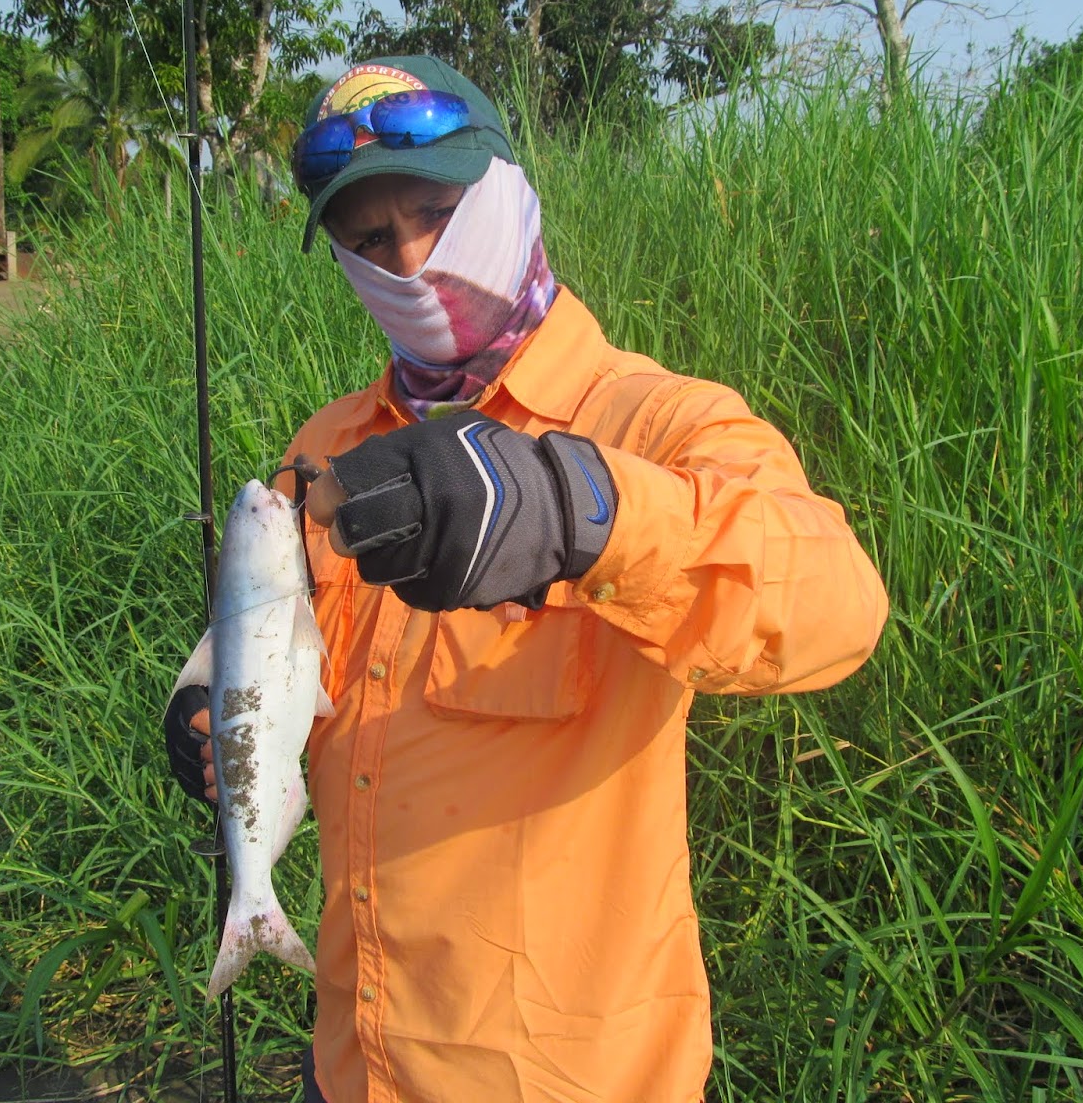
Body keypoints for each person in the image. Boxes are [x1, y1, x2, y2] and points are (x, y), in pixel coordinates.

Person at [165, 55, 889, 1103]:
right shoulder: (330, 444)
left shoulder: (656, 421)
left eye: (436, 212)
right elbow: (293, 653)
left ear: (508, 189)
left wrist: (578, 511)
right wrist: (209, 704)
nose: (409, 259)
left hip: (560, 1075)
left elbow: (837, 610)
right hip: (357, 1057)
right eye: (368, 239)